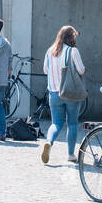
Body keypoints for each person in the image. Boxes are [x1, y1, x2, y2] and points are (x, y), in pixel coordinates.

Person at [41, 24, 86, 164]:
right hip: (70, 93)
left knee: (56, 123)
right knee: (72, 124)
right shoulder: (73, 51)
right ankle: (71, 154)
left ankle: (49, 142)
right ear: (71, 37)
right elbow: (81, 70)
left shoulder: (50, 51)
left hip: (54, 93)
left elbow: (45, 70)